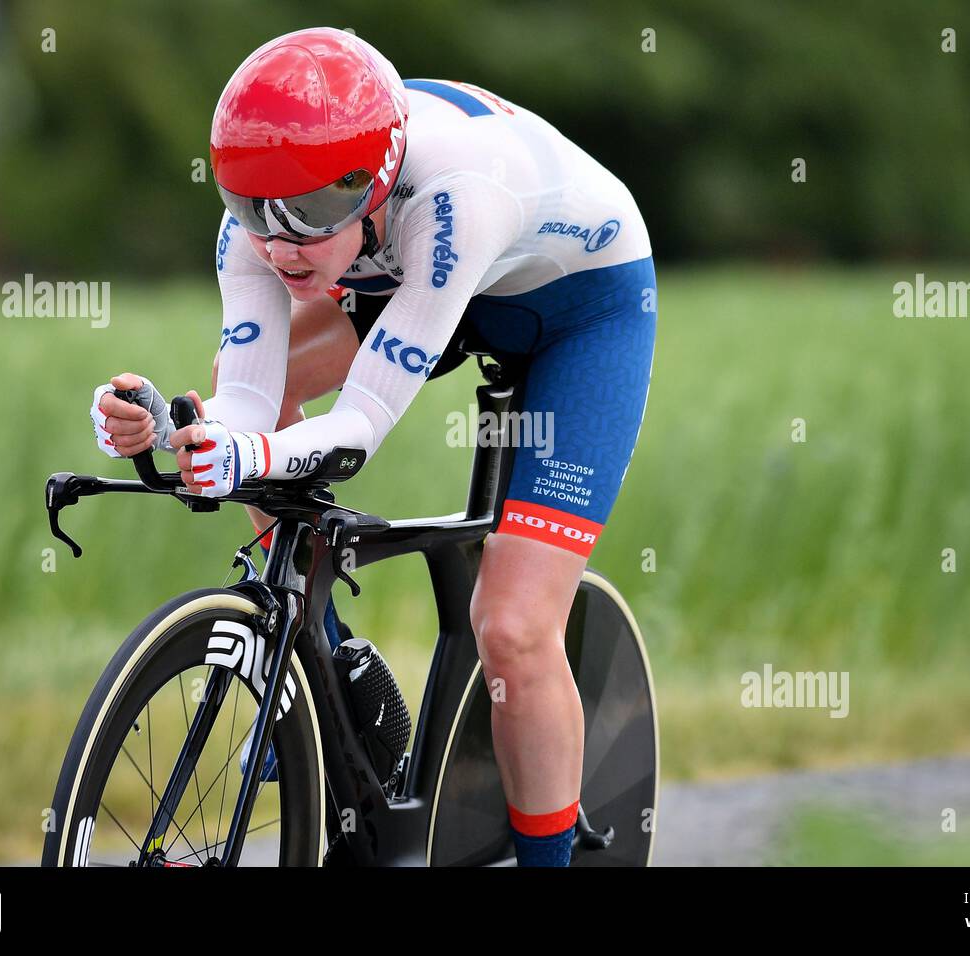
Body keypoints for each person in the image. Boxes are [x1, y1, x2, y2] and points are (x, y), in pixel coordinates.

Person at [89, 27, 656, 867]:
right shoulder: (272, 208)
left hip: (579, 308)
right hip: (419, 275)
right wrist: (177, 429)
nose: (281, 247)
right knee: (248, 390)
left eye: (311, 218)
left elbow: (358, 427)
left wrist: (246, 456)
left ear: (373, 180)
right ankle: (320, 647)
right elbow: (249, 397)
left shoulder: (456, 200)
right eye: (256, 216)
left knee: (512, 626)